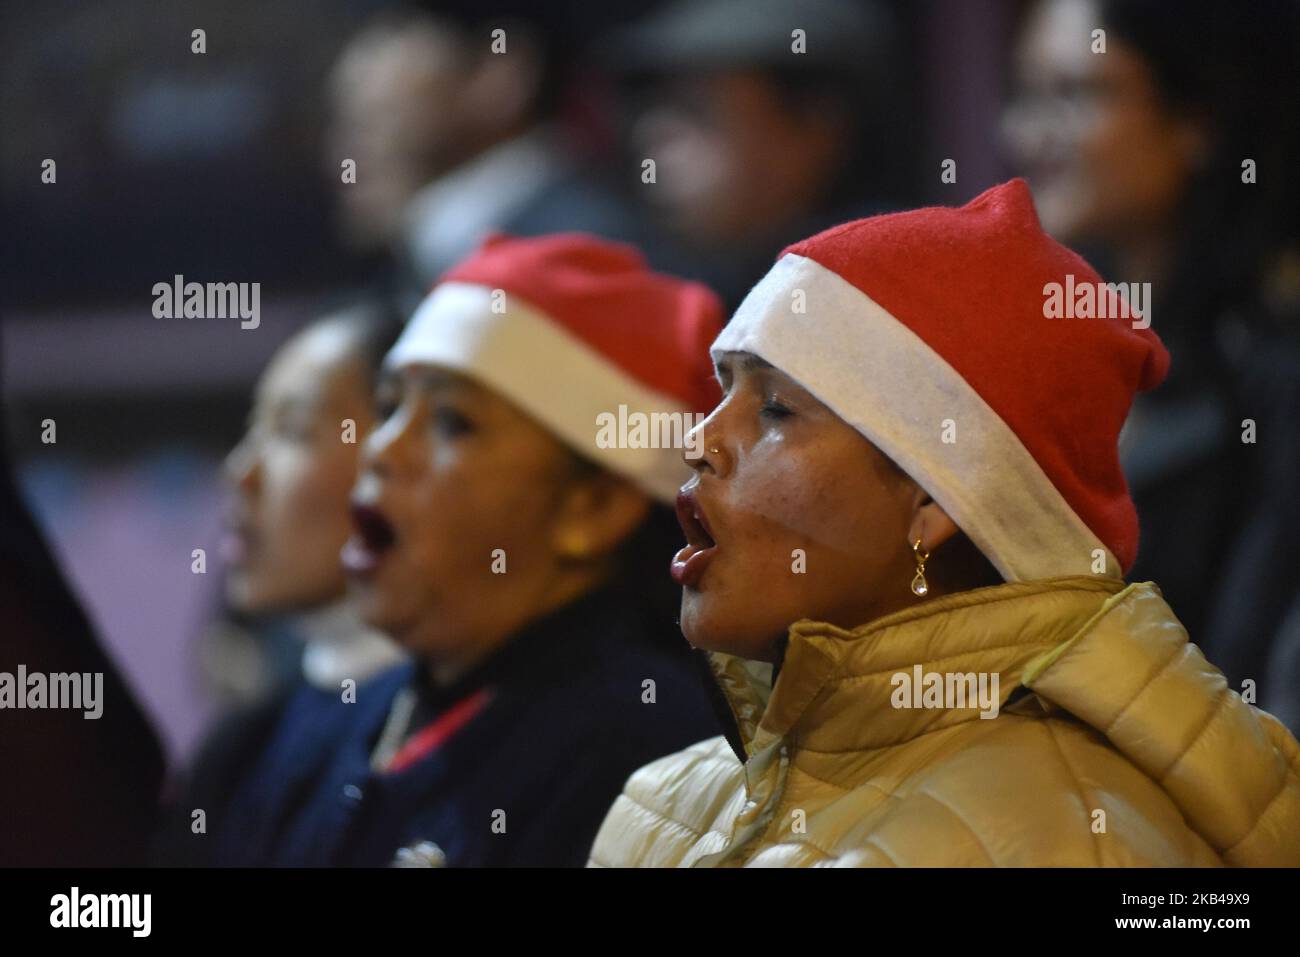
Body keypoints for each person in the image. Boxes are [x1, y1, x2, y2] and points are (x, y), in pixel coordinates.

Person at [589, 180, 1300, 867]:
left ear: (934, 502)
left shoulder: (1063, 838)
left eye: (775, 408)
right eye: (723, 390)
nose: (698, 442)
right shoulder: (660, 803)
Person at [209, 233, 725, 867]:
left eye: (453, 422)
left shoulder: (652, 765)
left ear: (591, 509)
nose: (380, 449)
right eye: (391, 406)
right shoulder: (347, 715)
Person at [1003, 0, 1300, 675]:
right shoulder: (1055, 338)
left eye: (1075, 95)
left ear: (1195, 119)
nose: (1030, 135)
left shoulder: (1273, 372)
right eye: (1025, 95)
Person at [154, 303, 407, 865]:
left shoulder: (444, 741)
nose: (240, 471)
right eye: (252, 429)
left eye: (291, 430)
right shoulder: (244, 746)